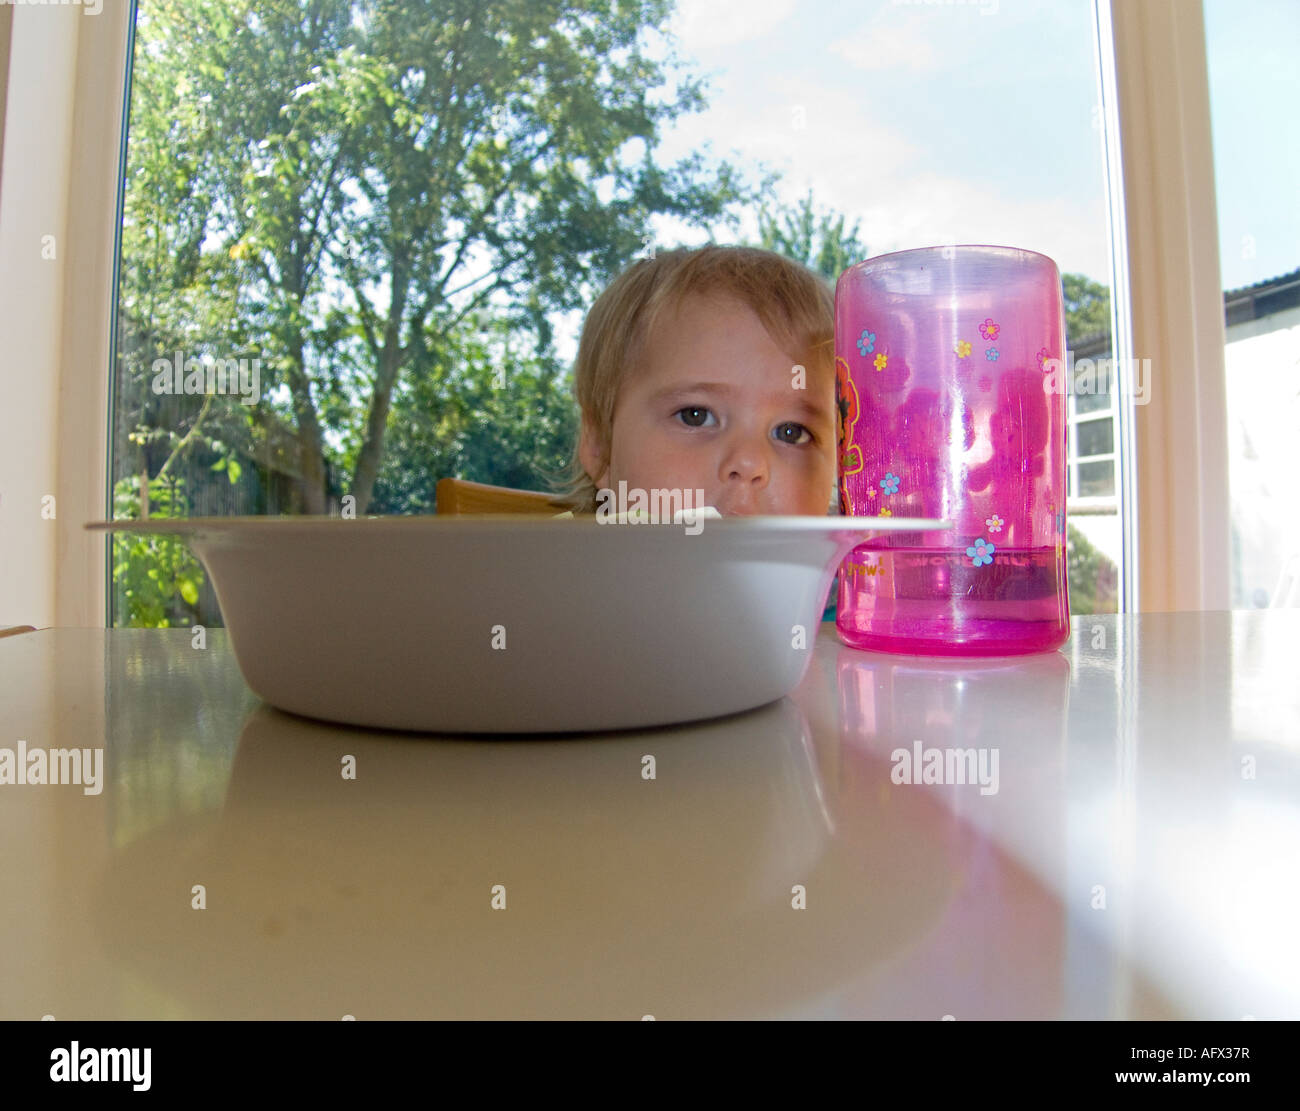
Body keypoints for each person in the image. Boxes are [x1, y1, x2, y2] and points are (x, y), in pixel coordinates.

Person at [542, 243, 843, 619]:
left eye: (791, 433)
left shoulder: (850, 609)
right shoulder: (544, 592)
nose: (749, 463)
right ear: (601, 445)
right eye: (696, 416)